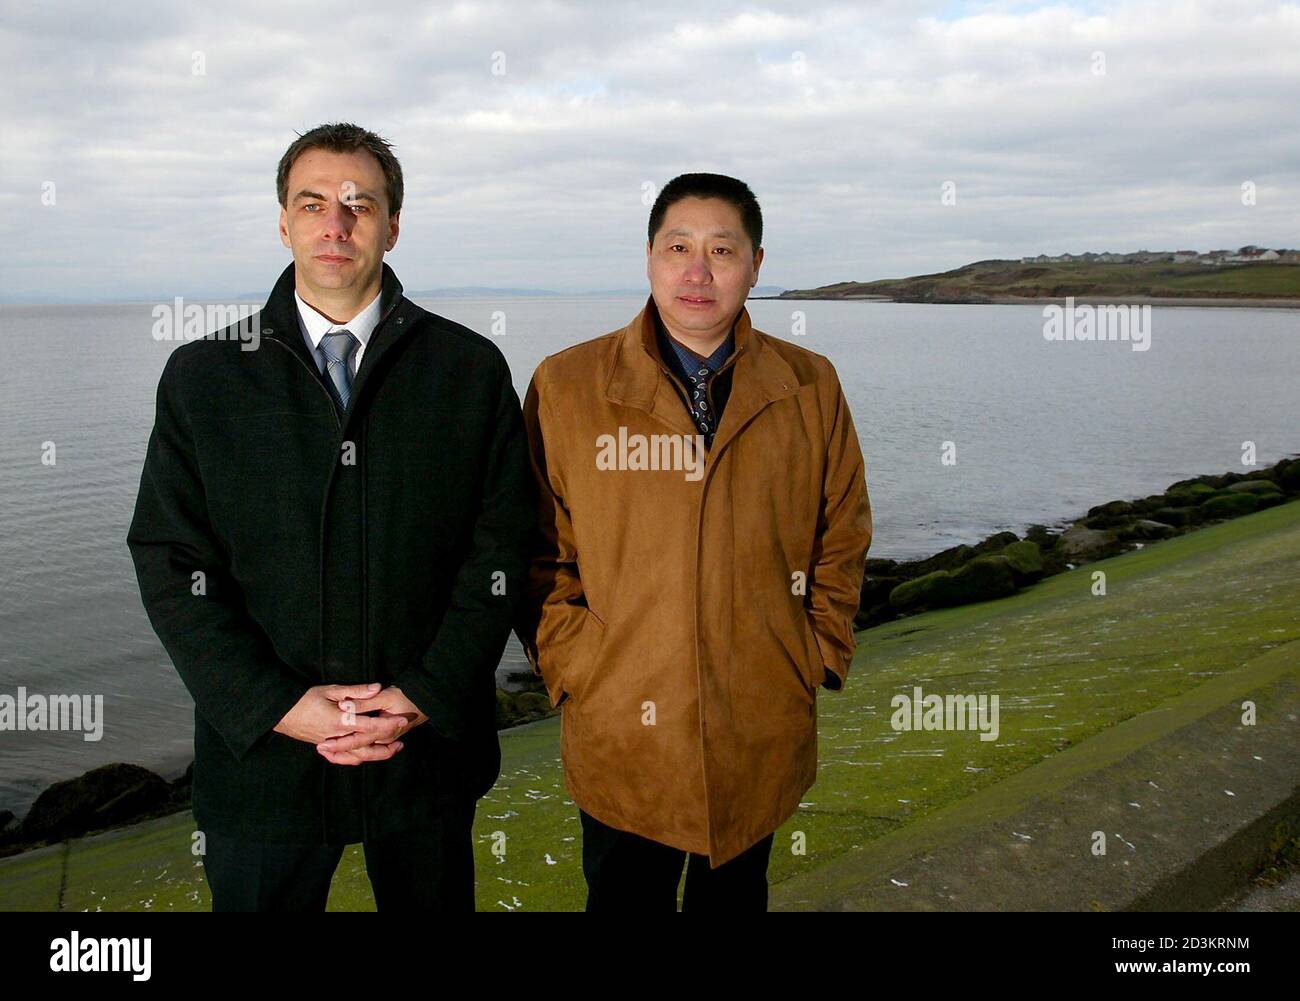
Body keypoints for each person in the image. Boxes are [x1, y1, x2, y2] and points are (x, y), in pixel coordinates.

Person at [127, 122, 534, 911]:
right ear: (283, 222)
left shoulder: (467, 370)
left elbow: (503, 548)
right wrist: (274, 705)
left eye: (360, 204)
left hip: (425, 756)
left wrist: (422, 692)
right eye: (313, 203)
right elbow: (170, 561)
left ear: (392, 223)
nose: (336, 224)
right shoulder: (204, 378)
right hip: (262, 768)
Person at [517, 172, 873, 911]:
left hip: (758, 719)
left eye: (722, 249)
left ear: (757, 264)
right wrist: (575, 659)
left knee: (738, 902)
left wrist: (815, 650)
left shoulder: (811, 384)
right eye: (678, 246)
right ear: (649, 257)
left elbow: (842, 530)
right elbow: (536, 545)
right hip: (625, 728)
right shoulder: (567, 384)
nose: (697, 271)